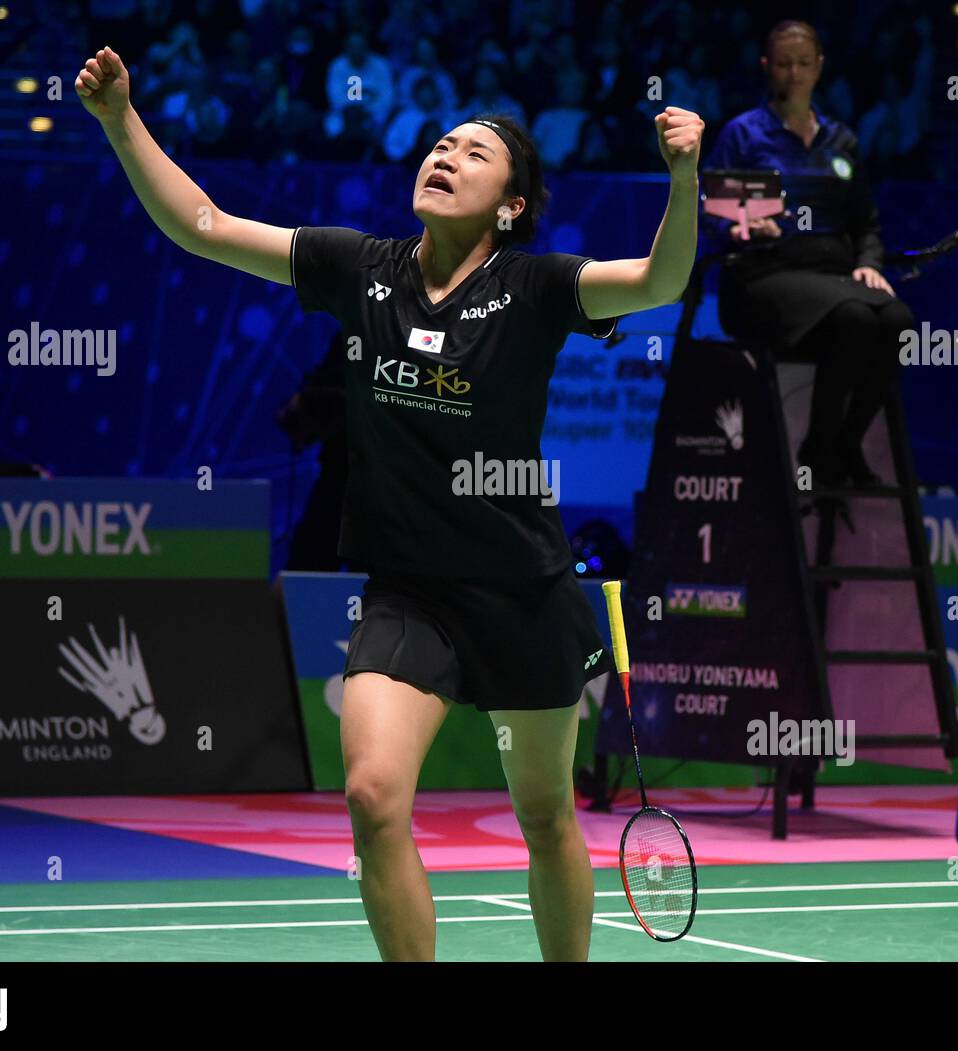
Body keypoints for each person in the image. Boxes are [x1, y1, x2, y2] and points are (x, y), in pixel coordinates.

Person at [75, 45, 703, 962]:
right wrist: (119, 122)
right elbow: (205, 226)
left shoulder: (534, 286)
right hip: (410, 591)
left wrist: (683, 179)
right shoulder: (358, 268)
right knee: (372, 798)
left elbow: (660, 280)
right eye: (440, 145)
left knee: (545, 812)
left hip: (522, 590)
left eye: (473, 154)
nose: (444, 156)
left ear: (512, 204)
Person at [706, 19, 913, 487]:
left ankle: (845, 441)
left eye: (802, 64)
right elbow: (709, 214)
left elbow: (867, 224)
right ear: (767, 68)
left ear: (819, 67)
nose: (793, 74)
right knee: (857, 320)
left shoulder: (842, 141)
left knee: (898, 323)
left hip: (836, 278)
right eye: (783, 64)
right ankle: (818, 450)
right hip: (763, 275)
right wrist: (740, 226)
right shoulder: (742, 134)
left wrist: (868, 263)